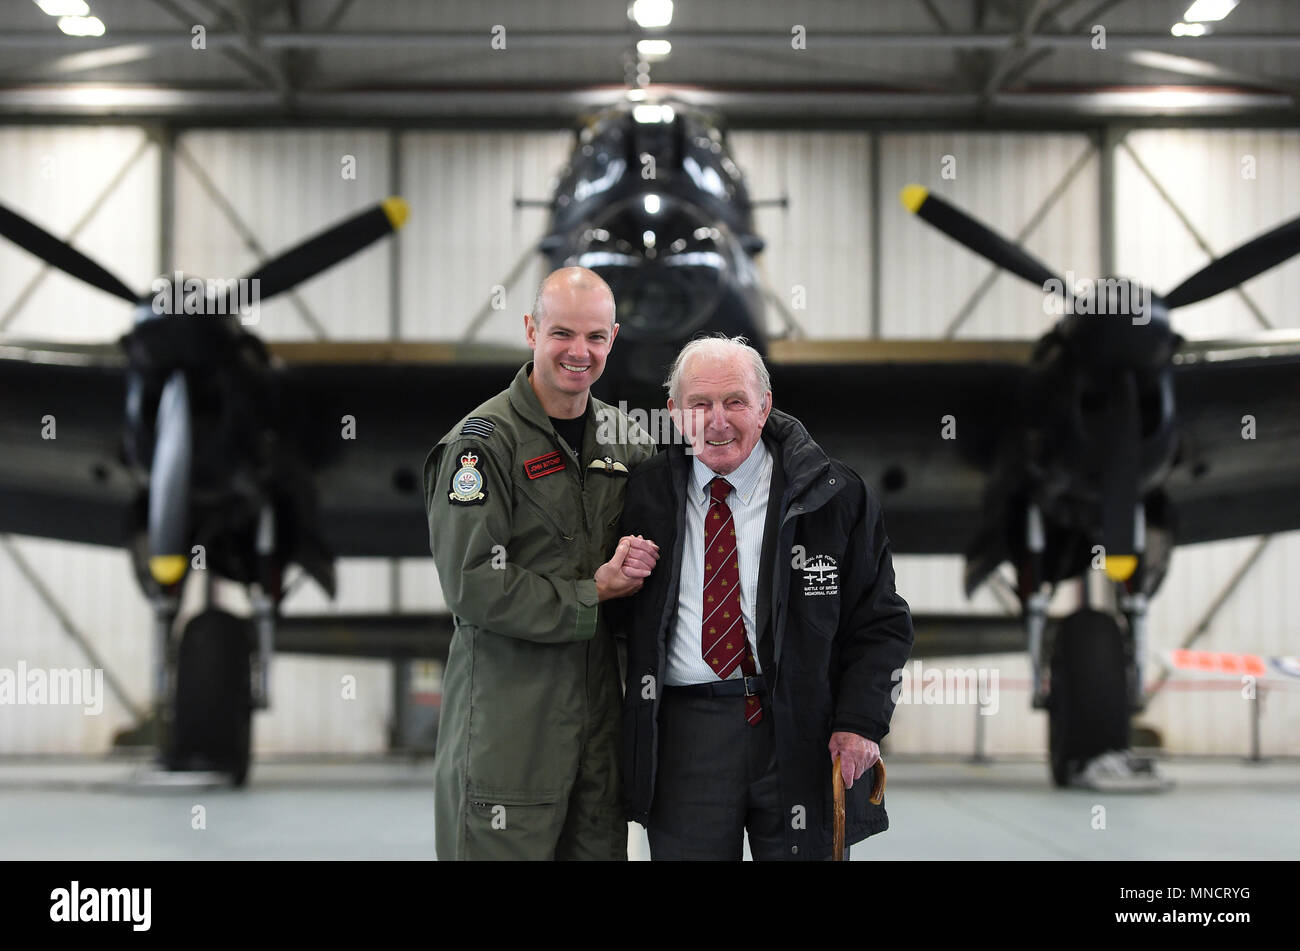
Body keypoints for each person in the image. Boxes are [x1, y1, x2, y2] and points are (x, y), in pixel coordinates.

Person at [616, 335, 914, 860]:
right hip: (687, 737)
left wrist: (860, 722)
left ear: (765, 405)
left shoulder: (834, 496)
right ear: (673, 413)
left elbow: (880, 622)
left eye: (734, 401)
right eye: (699, 405)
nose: (717, 421)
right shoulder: (641, 495)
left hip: (801, 730)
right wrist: (610, 580)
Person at [424, 266, 659, 860]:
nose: (579, 352)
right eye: (562, 334)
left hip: (597, 740)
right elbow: (472, 583)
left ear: (613, 339)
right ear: (531, 329)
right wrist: (592, 595)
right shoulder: (481, 447)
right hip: (508, 735)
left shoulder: (624, 440)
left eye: (596, 337)